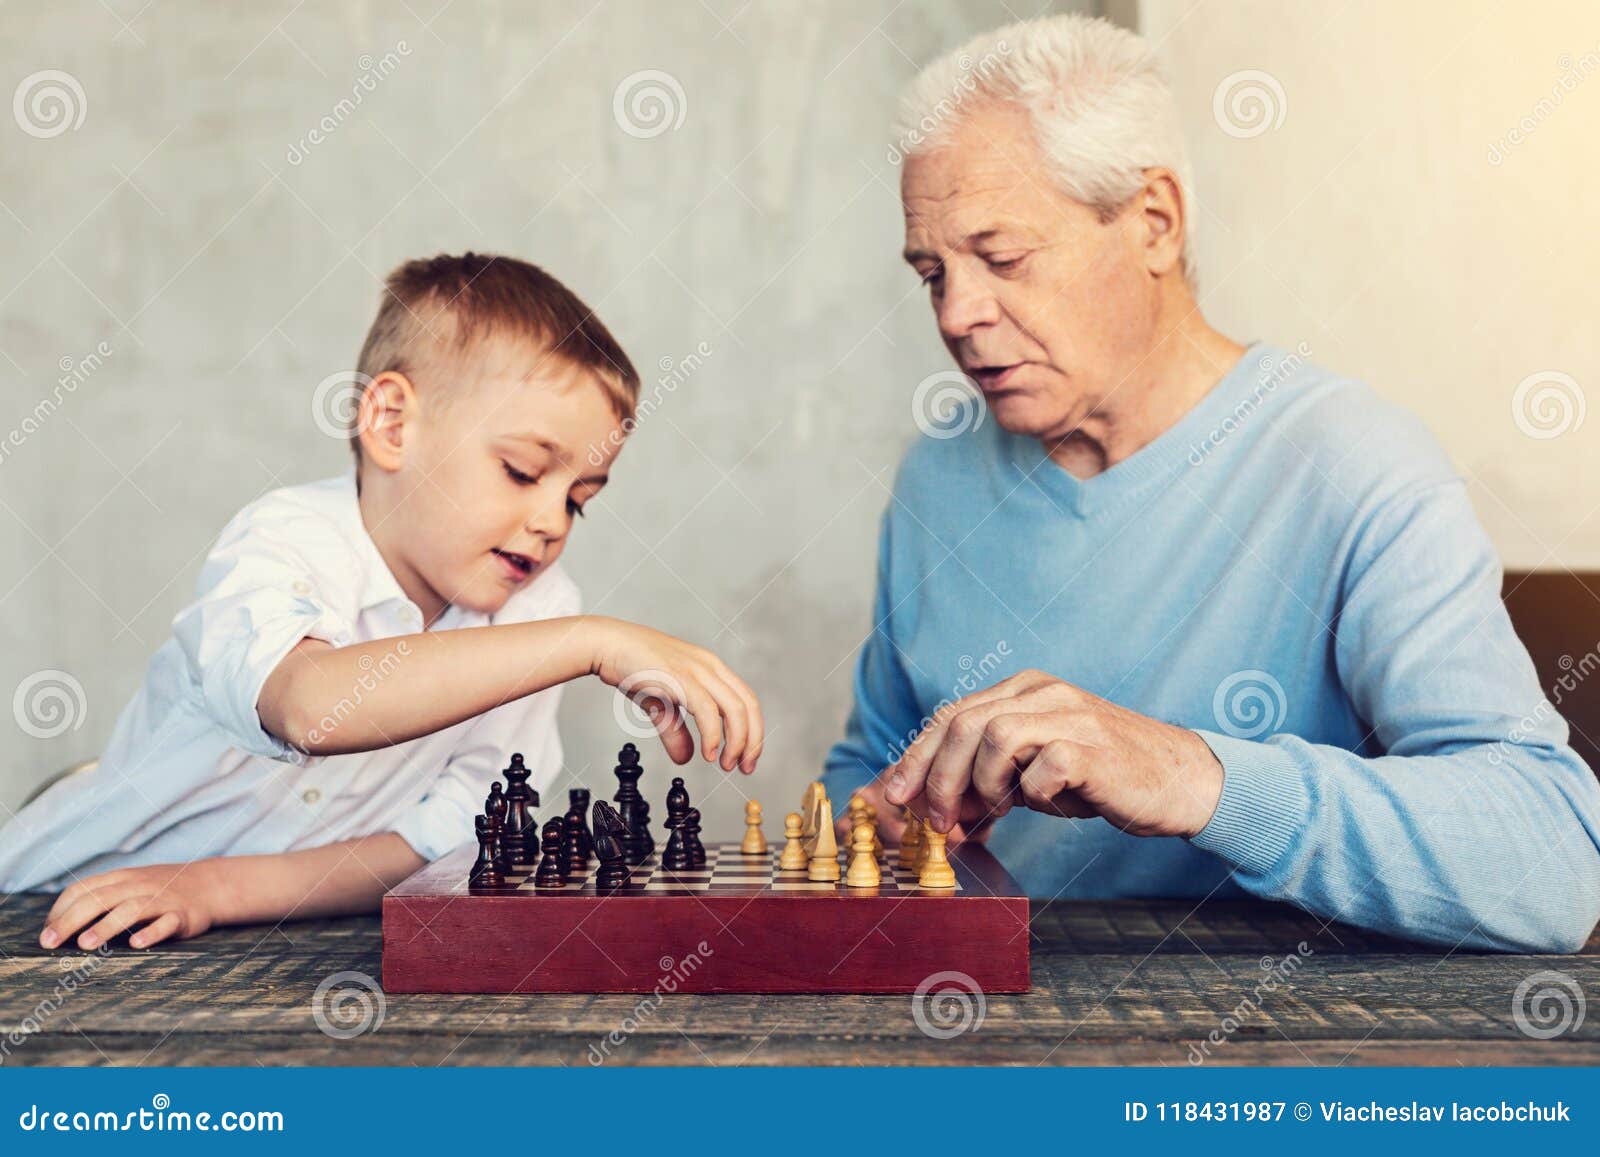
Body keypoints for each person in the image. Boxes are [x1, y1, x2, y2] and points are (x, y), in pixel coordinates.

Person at [824, 15, 1600, 952]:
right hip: (995, 1030)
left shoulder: (1354, 463)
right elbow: (869, 770)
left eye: (1003, 259)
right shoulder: (934, 480)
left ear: (1155, 221)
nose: (958, 313)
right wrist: (873, 821)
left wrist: (1197, 777)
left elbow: (1555, 862)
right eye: (931, 274)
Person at [0, 252, 763, 950]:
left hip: (253, 936)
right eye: (525, 471)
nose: (553, 520)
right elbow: (307, 705)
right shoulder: (284, 542)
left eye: (582, 499)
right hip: (54, 909)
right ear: (391, 424)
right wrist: (587, 642)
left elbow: (436, 836)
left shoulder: (539, 610)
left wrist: (214, 888)